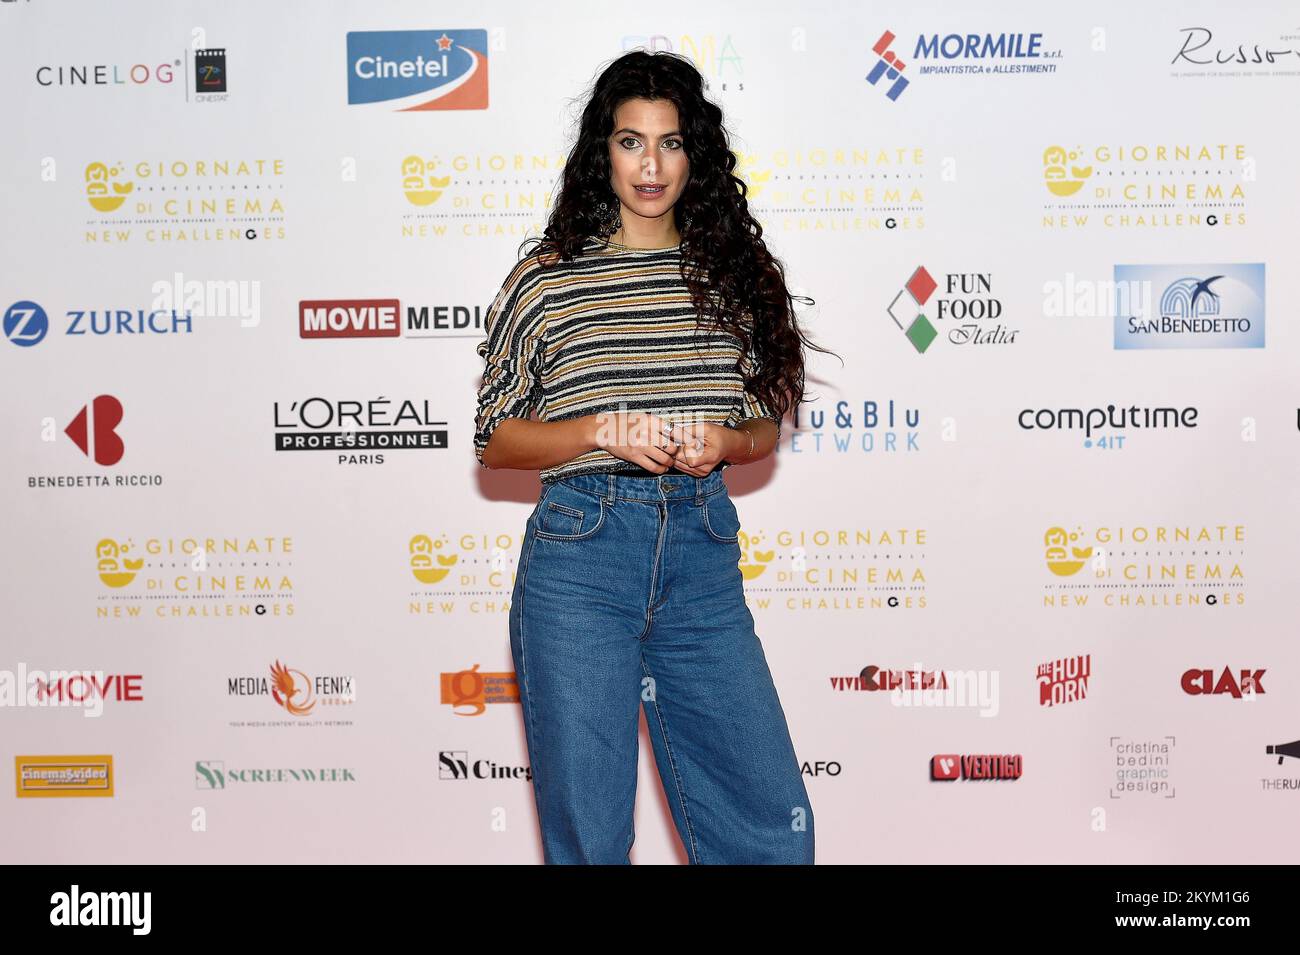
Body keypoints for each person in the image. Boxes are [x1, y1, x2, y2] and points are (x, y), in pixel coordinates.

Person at [473, 50, 835, 864]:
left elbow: (762, 425)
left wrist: (728, 443)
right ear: (602, 151)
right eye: (631, 141)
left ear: (693, 154)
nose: (651, 164)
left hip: (701, 557)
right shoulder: (547, 280)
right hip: (581, 560)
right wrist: (601, 428)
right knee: (592, 839)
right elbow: (493, 436)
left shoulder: (731, 275)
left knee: (771, 831)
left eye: (670, 143)